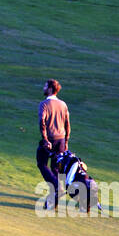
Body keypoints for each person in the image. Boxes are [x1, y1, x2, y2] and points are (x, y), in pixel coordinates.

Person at [37, 79, 71, 207]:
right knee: (55, 168)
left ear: (50, 89)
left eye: (45, 86)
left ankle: (57, 188)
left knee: (41, 163)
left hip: (50, 139)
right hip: (61, 139)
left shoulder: (44, 104)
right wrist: (66, 140)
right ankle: (54, 201)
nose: (43, 88)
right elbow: (67, 124)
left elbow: (42, 122)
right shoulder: (63, 104)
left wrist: (45, 139)